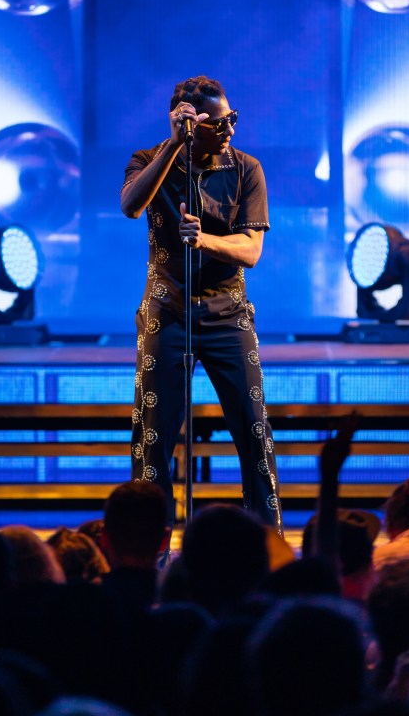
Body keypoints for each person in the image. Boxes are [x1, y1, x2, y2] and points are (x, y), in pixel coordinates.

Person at [120, 75, 281, 530]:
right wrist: (173, 147)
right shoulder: (148, 160)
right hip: (166, 312)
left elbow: (251, 251)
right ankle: (146, 552)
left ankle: (269, 546)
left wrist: (206, 241)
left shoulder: (247, 168)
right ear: (190, 123)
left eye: (233, 118)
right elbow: (131, 206)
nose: (230, 128)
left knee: (254, 432)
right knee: (153, 440)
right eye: (219, 122)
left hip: (227, 311)